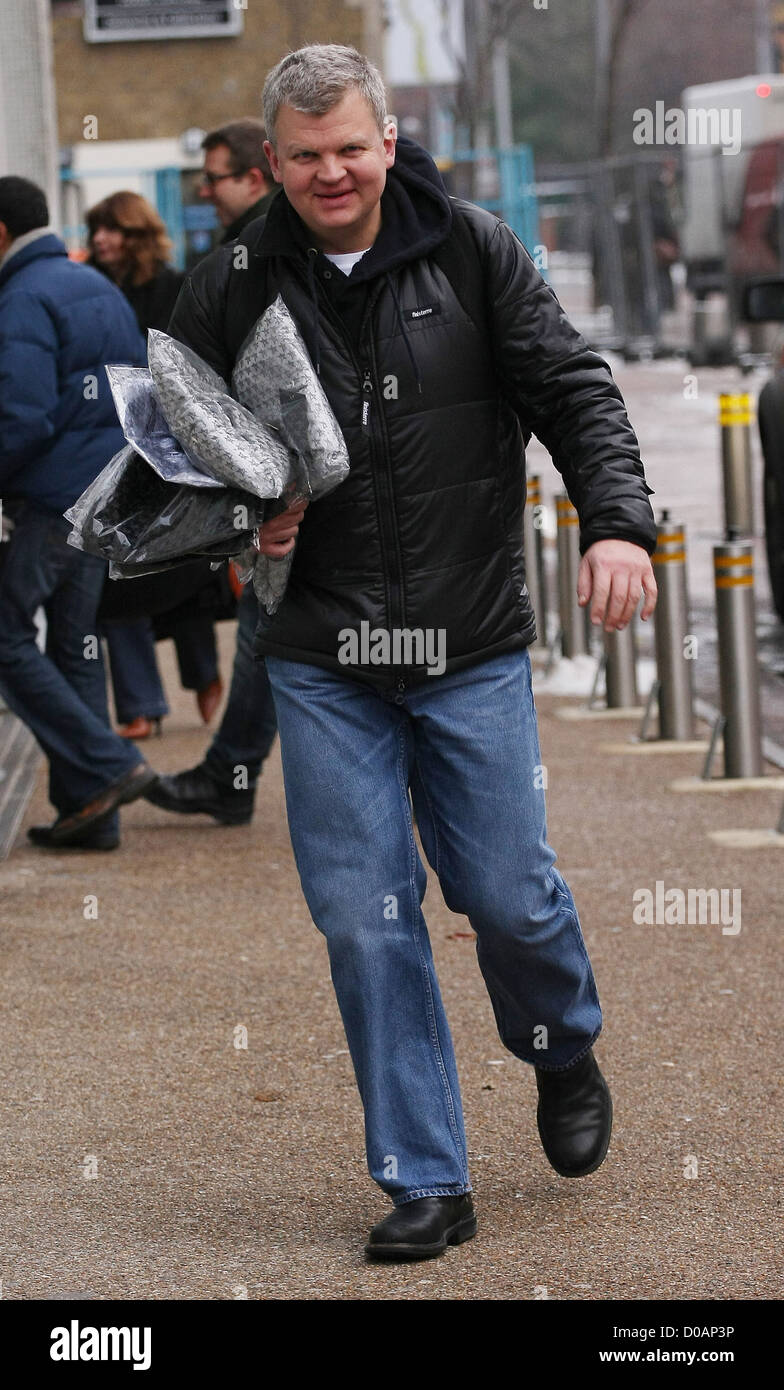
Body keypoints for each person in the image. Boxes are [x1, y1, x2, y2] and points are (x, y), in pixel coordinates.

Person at [164, 45, 658, 1260]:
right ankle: (424, 1177)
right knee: (366, 915)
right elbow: (166, 454)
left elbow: (574, 389)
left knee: (505, 892)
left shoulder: (475, 250)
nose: (331, 173)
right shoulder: (229, 278)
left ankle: (558, 1041)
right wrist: (241, 516)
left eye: (350, 148)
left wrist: (616, 526)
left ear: (387, 142)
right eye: (304, 155)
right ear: (269, 162)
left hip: (467, 637)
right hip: (322, 649)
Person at [0, 176, 158, 849]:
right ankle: (92, 815)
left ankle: (108, 767)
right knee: (75, 642)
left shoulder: (19, 299)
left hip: (51, 498)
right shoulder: (96, 286)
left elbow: (20, 418)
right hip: (104, 494)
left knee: (4, 636)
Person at [147, 119, 281, 823]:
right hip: (287, 477)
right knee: (268, 624)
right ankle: (229, 771)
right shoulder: (251, 247)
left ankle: (229, 773)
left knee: (268, 626)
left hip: (290, 483)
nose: (204, 189)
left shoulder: (258, 251)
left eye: (214, 176)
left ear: (253, 178)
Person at [87, 189, 225, 737]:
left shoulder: (172, 286)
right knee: (119, 574)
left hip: (167, 448)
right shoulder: (97, 289)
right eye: (97, 229)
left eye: (112, 229)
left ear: (137, 234)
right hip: (113, 445)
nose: (101, 239)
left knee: (179, 569)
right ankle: (141, 707)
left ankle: (204, 675)